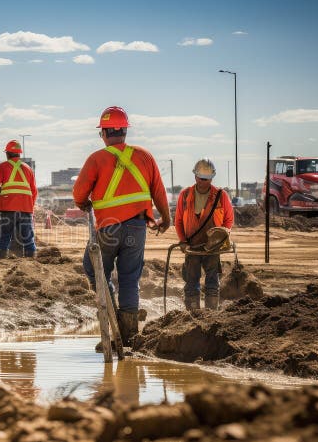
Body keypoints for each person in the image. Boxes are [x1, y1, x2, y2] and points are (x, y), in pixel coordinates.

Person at [74, 106, 170, 346]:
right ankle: (129, 336)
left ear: (104, 133)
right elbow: (158, 190)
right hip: (137, 228)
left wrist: (83, 203)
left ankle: (112, 325)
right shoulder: (145, 156)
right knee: (129, 278)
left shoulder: (97, 158)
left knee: (94, 268)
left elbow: (79, 193)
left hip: (108, 229)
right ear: (125, 131)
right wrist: (165, 219)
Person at [174, 158, 234, 310]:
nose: (205, 182)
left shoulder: (221, 195)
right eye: (202, 179)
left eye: (208, 179)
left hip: (212, 248)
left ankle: (210, 315)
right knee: (191, 282)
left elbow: (229, 220)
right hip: (192, 247)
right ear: (195, 177)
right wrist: (183, 241)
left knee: (212, 282)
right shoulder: (185, 195)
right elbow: (179, 220)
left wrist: (222, 237)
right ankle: (193, 316)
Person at [0, 139, 38, 258]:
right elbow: (34, 191)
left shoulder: (2, 166)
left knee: (5, 235)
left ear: (7, 154)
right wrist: (30, 207)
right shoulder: (28, 169)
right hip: (25, 209)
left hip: (8, 208)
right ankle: (32, 262)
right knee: (28, 237)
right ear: (19, 153)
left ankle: (1, 260)